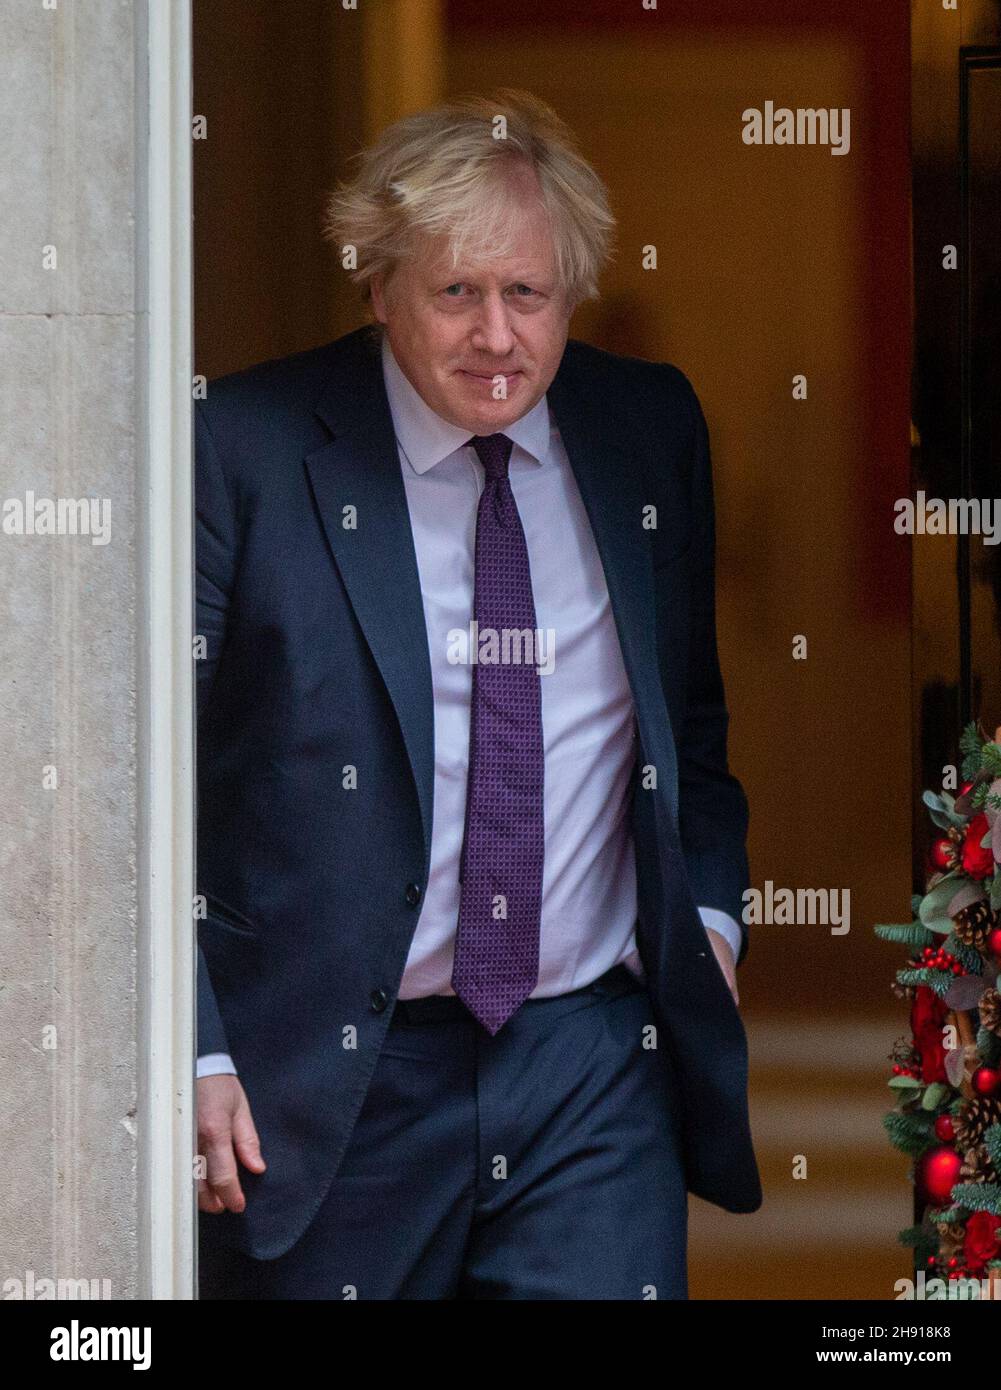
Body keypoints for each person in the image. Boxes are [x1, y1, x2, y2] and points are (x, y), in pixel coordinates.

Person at [195, 87, 761, 1301]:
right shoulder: (240, 448)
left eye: (528, 294)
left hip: (588, 1063)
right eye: (456, 293)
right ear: (376, 284)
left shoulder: (644, 429)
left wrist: (708, 925)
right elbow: (146, 782)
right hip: (335, 1075)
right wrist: (192, 1042)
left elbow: (690, 727)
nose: (497, 336)